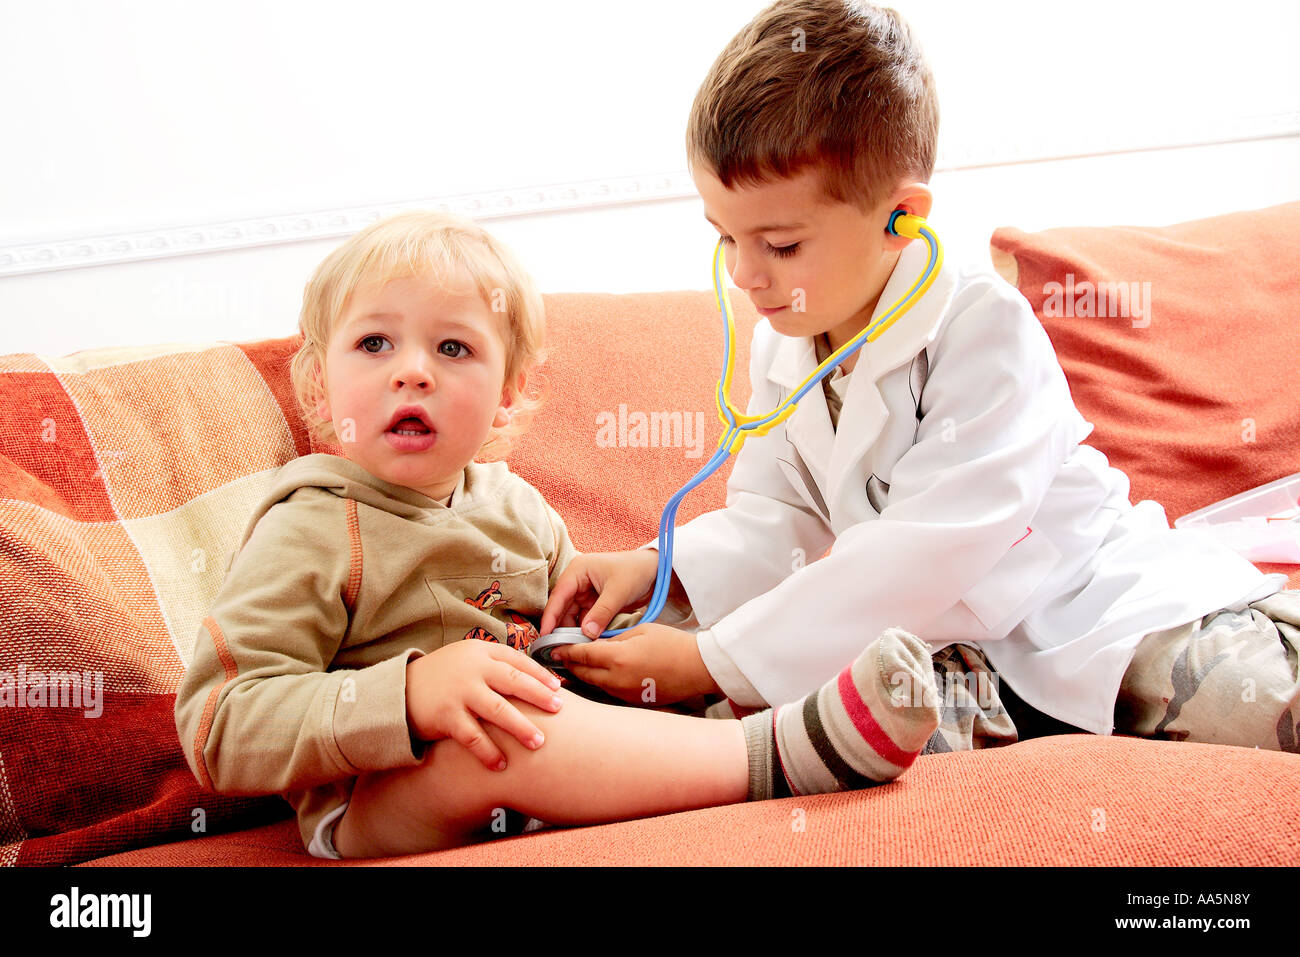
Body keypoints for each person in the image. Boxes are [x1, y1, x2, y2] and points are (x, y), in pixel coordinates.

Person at [541, 0, 1300, 755]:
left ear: (900, 217)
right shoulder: (790, 343)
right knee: (785, 723)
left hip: (1097, 611)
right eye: (725, 237)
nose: (745, 275)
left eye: (778, 244)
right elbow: (776, 523)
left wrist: (711, 658)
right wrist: (662, 572)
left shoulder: (980, 326)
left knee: (1255, 711)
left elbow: (926, 549)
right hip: (963, 650)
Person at [173, 210, 948, 860]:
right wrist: (408, 697)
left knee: (657, 662)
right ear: (320, 380)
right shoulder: (312, 524)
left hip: (542, 750)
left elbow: (565, 649)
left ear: (508, 392)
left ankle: (884, 712)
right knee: (502, 728)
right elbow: (217, 720)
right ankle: (784, 755)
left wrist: (605, 643)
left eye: (454, 348)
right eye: (375, 344)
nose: (412, 372)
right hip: (385, 800)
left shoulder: (519, 509)